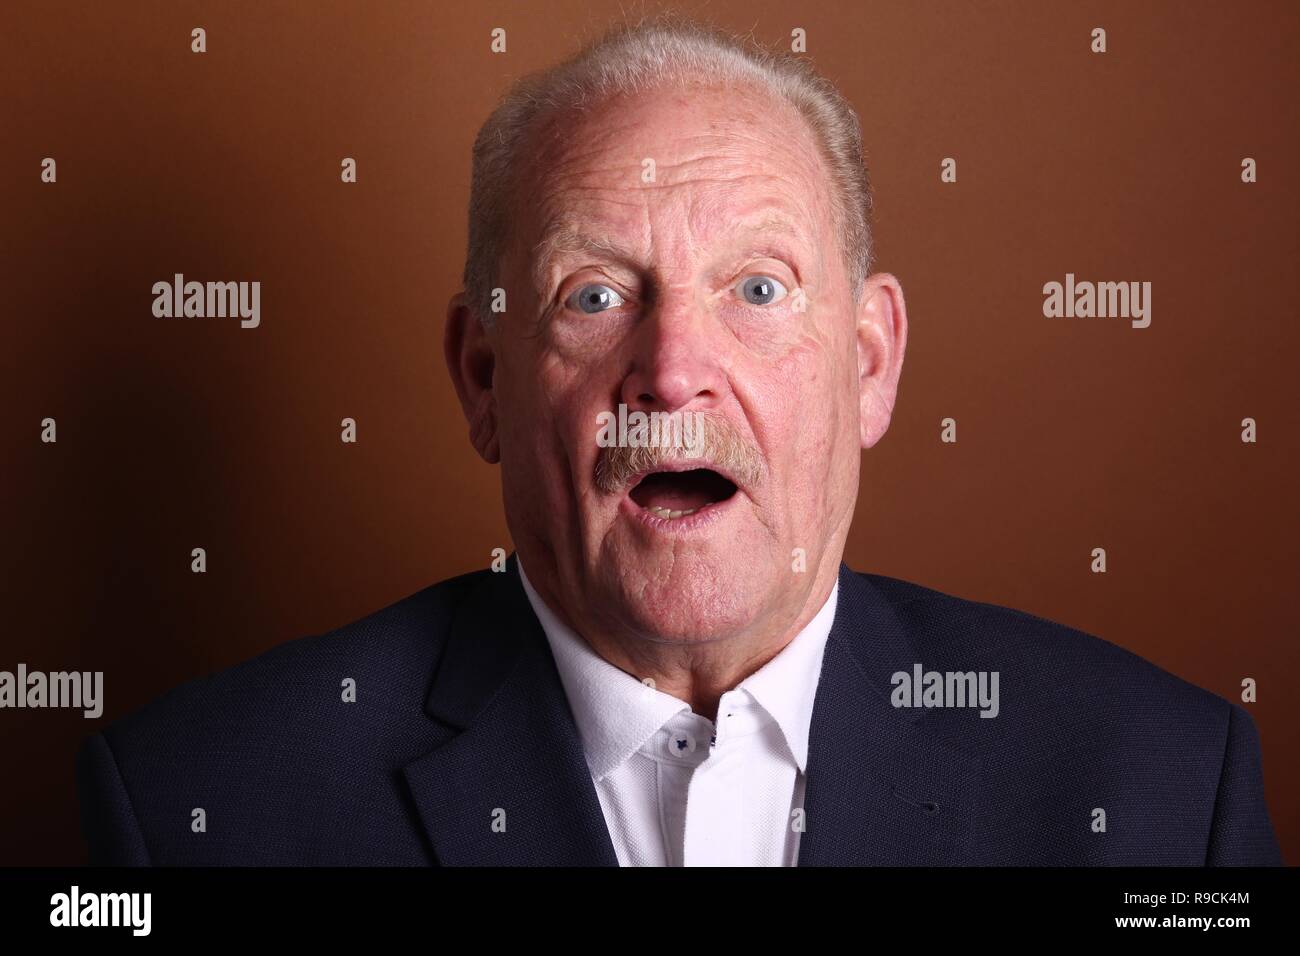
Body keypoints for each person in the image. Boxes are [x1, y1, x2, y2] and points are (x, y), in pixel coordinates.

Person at [77, 15, 1282, 866]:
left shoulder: (1163, 788)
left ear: (869, 361)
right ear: (484, 376)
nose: (673, 370)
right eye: (594, 296)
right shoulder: (199, 807)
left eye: (757, 289)